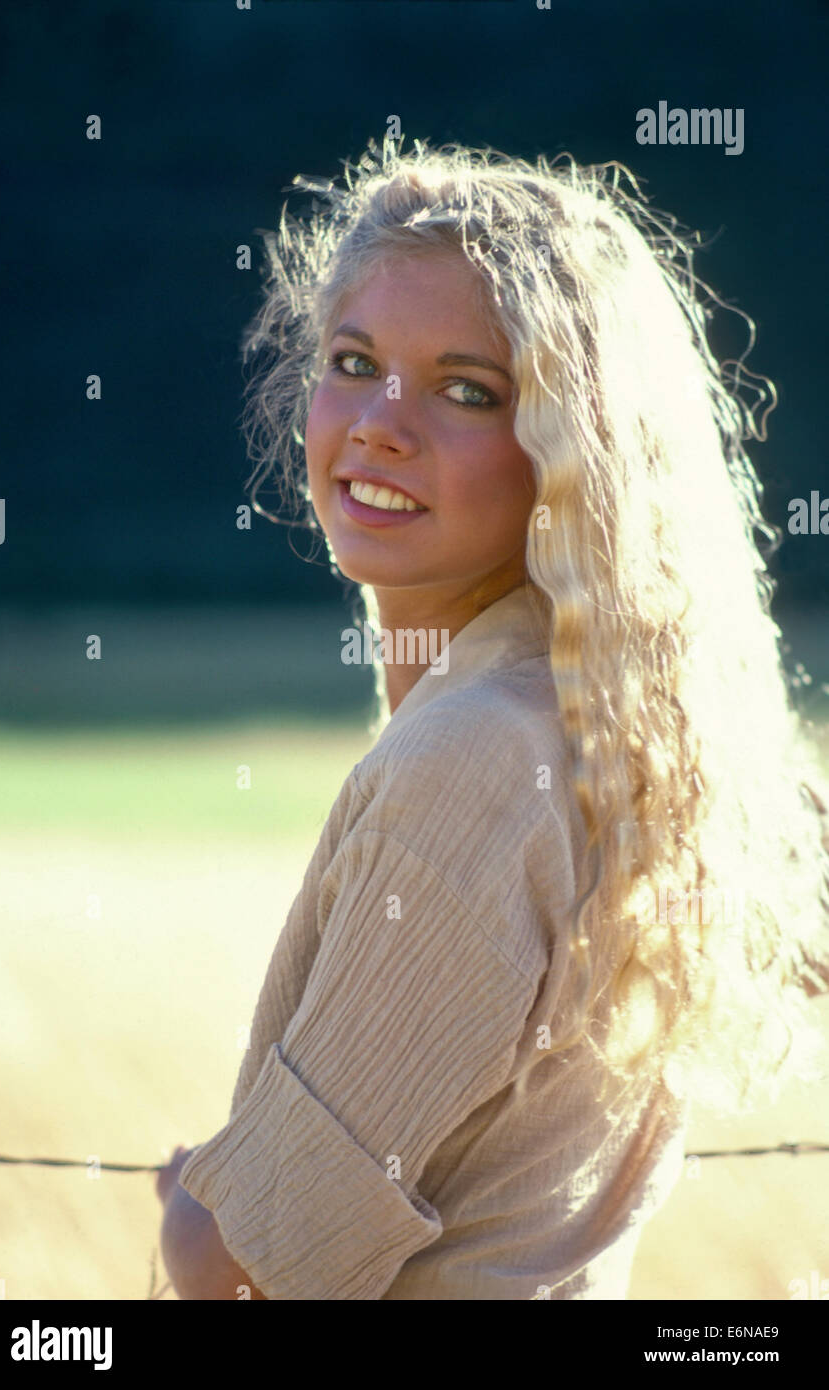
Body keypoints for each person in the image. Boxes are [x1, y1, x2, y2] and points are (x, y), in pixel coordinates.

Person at [156, 140, 829, 1300]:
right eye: (354, 362)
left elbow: (251, 1264)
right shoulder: (608, 728)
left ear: (572, 451)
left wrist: (184, 1216)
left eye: (468, 388)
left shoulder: (477, 754)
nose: (378, 422)